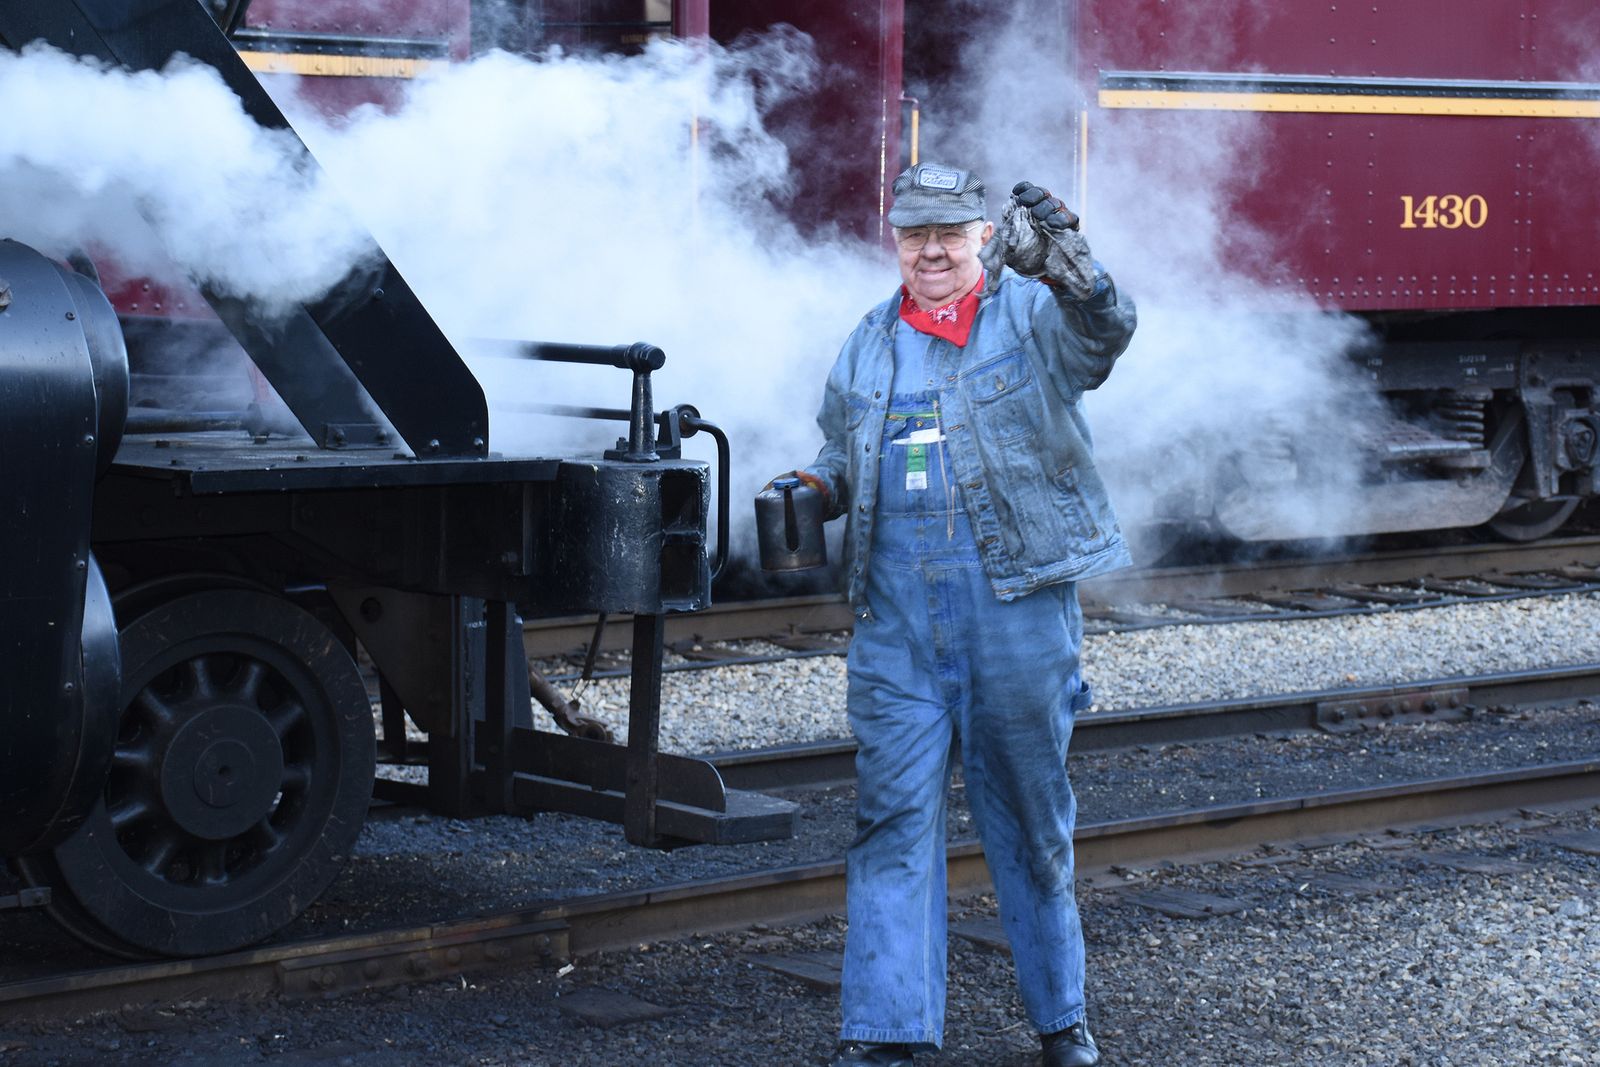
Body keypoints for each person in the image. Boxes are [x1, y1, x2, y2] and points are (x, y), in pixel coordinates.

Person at [773, 161, 1137, 1067]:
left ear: (982, 235)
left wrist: (1076, 272)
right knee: (891, 820)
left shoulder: (1029, 317)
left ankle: (1063, 1022)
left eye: (947, 232)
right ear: (894, 239)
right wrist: (816, 484)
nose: (929, 250)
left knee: (1030, 819)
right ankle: (888, 1032)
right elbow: (840, 443)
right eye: (912, 233)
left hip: (1013, 608)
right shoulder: (867, 341)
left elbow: (1106, 334)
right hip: (893, 622)